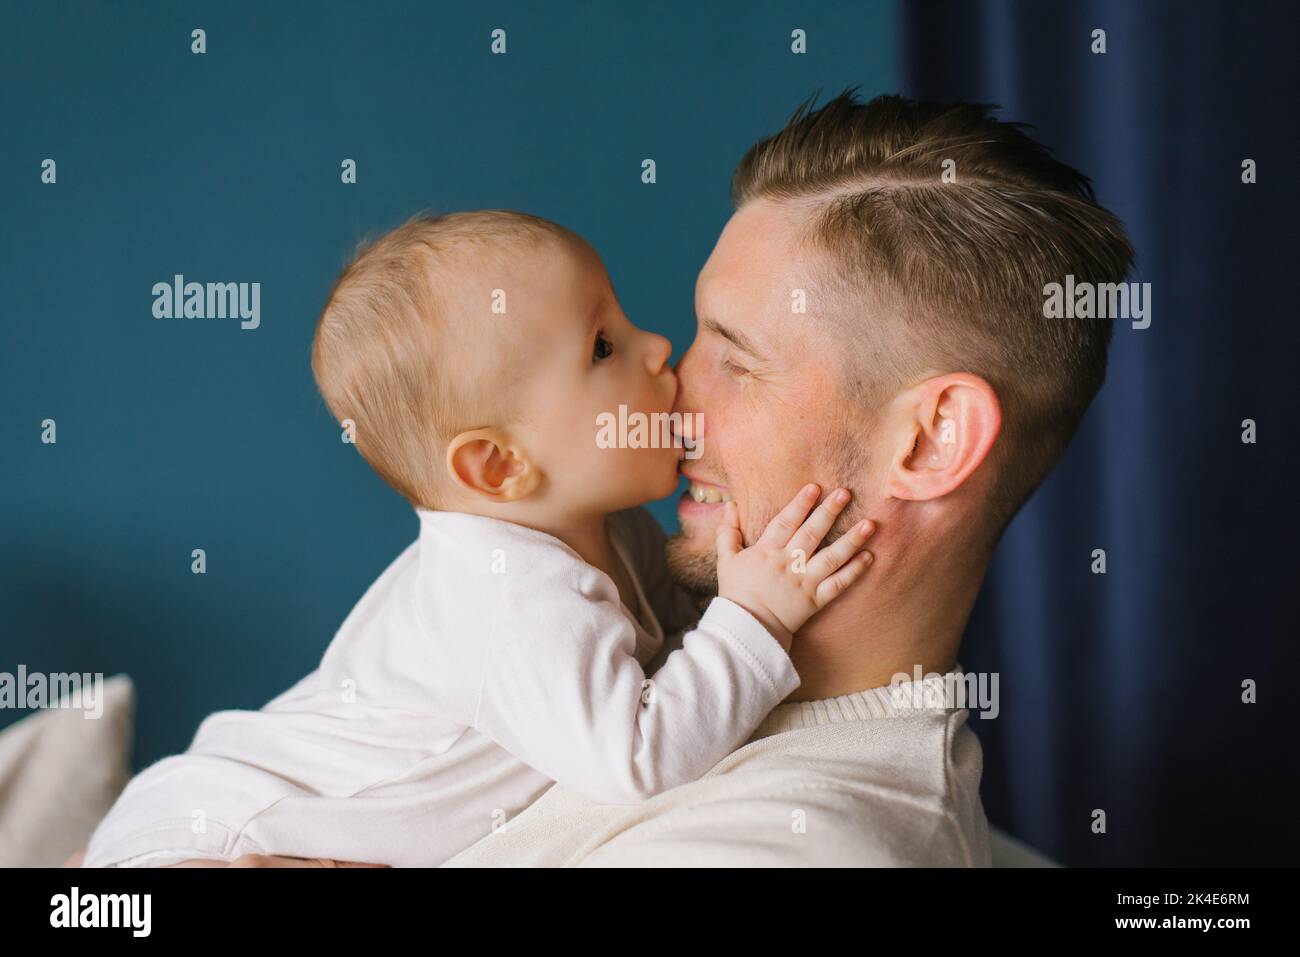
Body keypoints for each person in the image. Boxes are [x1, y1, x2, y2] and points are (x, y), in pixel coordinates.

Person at [80, 210, 876, 868]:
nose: (658, 347)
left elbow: (669, 644)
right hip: (214, 829)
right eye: (603, 346)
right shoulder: (511, 598)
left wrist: (732, 597)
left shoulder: (612, 531)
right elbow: (640, 755)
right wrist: (757, 621)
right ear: (498, 465)